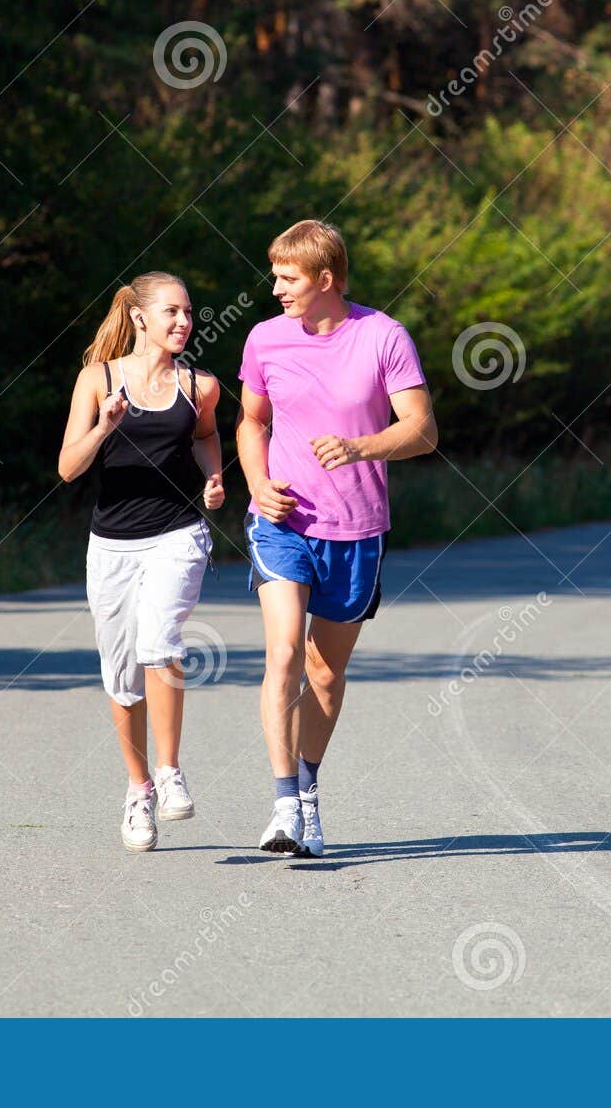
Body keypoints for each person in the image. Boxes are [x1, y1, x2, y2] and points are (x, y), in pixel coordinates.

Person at [236, 220, 437, 856]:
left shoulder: (383, 336)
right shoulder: (265, 340)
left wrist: (359, 447)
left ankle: (310, 789)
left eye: (287, 278)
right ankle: (284, 803)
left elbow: (423, 431)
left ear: (326, 280)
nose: (275, 289)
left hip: (356, 529)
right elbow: (250, 421)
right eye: (274, 275)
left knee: (325, 675)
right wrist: (257, 480)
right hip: (281, 521)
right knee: (284, 656)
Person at [58, 271, 225, 852]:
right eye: (173, 312)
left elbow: (206, 436)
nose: (184, 322)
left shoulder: (199, 385)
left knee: (161, 644)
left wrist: (214, 476)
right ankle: (139, 789)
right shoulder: (96, 380)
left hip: (178, 533)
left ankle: (172, 770)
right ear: (140, 317)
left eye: (189, 312)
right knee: (122, 675)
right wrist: (104, 425)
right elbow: (68, 468)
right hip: (111, 545)